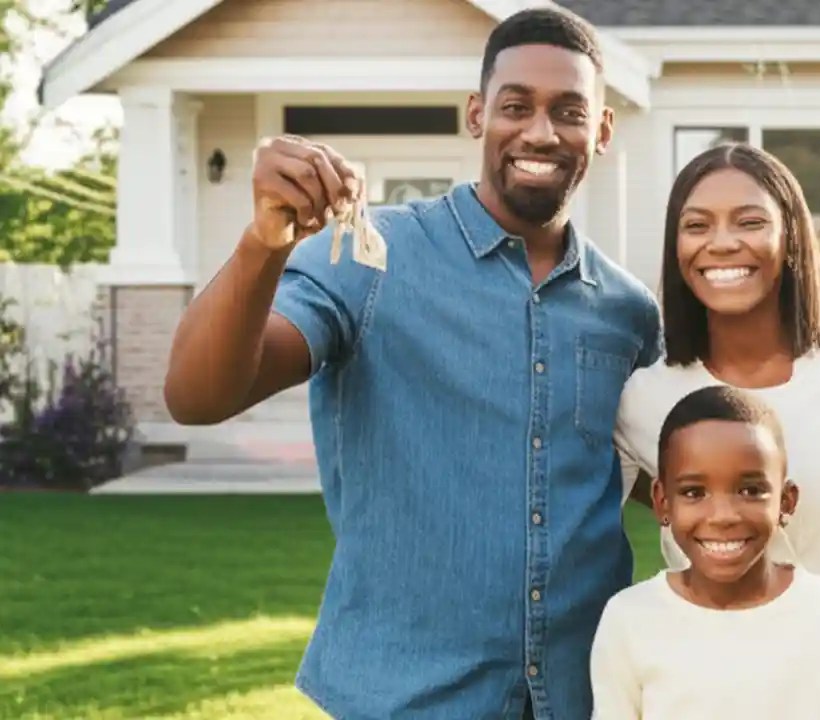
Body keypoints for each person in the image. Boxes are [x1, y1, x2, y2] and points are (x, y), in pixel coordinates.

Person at [163, 8, 664, 719]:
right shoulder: (370, 261)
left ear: (603, 131)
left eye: (569, 111)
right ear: (476, 115)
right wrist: (262, 244)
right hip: (404, 699)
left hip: (583, 697)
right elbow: (198, 396)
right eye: (515, 106)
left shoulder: (628, 311)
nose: (540, 132)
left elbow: (662, 478)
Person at [614, 143, 820, 719]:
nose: (722, 242)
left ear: (792, 237)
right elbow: (585, 513)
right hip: (702, 672)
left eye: (751, 221)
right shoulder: (644, 395)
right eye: (696, 225)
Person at [590, 385, 820, 720]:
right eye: (694, 492)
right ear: (662, 502)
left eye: (750, 490)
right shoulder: (629, 619)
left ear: (786, 501)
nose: (723, 516)